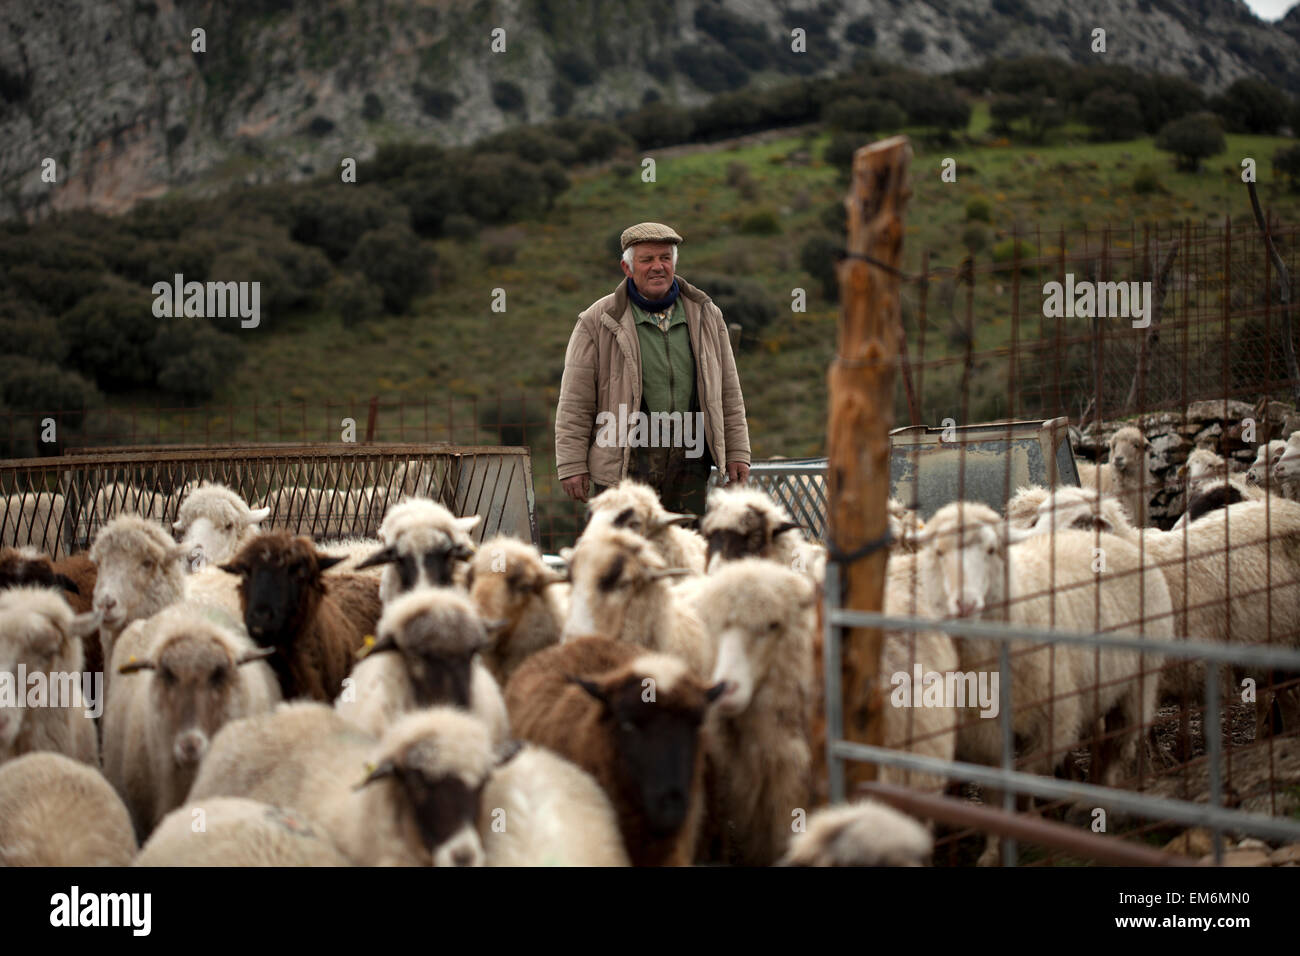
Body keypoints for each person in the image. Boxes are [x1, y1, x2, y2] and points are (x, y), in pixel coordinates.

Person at [555, 222, 751, 514]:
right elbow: (575, 401)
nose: (658, 267)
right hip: (625, 462)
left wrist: (737, 452)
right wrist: (571, 464)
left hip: (690, 457)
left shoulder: (706, 314)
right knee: (625, 551)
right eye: (647, 259)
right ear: (627, 267)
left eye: (665, 258)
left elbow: (728, 392)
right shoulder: (596, 321)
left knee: (686, 549)